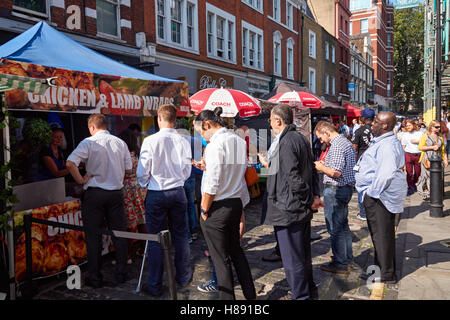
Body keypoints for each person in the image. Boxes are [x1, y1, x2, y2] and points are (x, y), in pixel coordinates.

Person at [260, 104, 323, 300]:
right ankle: (309, 290)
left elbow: (293, 177)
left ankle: (301, 296)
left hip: (289, 207)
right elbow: (309, 169)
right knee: (302, 255)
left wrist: (309, 197)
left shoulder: (286, 141)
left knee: (292, 259)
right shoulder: (300, 137)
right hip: (296, 206)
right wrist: (313, 195)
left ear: (278, 120)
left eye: (270, 120)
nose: (269, 124)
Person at [193, 107, 256, 300]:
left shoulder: (214, 145)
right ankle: (250, 295)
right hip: (234, 202)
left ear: (208, 125)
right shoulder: (237, 140)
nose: (203, 137)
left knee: (220, 261)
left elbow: (212, 183)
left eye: (202, 132)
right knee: (236, 253)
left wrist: (204, 209)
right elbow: (238, 173)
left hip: (217, 206)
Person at [66, 114, 132, 288]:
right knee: (119, 235)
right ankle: (121, 274)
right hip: (116, 193)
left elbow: (70, 163)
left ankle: (95, 278)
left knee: (93, 236)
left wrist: (80, 180)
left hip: (95, 194)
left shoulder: (88, 142)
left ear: (92, 127)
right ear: (105, 125)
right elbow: (128, 169)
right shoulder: (120, 143)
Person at [136, 104, 192, 296]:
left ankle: (154, 284)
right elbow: (187, 170)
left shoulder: (150, 141)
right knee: (180, 235)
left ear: (159, 118)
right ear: (174, 120)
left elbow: (143, 171)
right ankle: (183, 276)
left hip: (157, 191)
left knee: (155, 239)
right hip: (177, 191)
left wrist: (145, 183)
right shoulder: (183, 141)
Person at [355, 111, 407, 284]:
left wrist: (371, 193)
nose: (372, 123)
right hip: (380, 196)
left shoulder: (387, 145)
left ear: (385, 125)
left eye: (376, 121)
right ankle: (380, 271)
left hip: (380, 197)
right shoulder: (384, 142)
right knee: (380, 235)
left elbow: (385, 174)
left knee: (382, 235)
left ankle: (385, 274)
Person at [314, 121, 356, 275]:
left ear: (326, 132)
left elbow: (336, 173)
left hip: (336, 189)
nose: (321, 141)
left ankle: (340, 263)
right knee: (342, 226)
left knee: (335, 228)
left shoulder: (337, 145)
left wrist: (320, 167)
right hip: (343, 189)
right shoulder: (344, 141)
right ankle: (346, 259)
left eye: (320, 138)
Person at [118, 129, 147, 263]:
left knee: (129, 222)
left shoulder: (124, 157)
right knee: (141, 219)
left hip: (126, 189)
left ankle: (127, 255)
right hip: (138, 188)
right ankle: (144, 249)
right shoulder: (137, 154)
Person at [351, 108, 375, 221]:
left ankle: (363, 213)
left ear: (363, 118)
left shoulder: (359, 131)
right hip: (376, 162)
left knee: (361, 188)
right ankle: (374, 211)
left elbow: (354, 148)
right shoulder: (378, 130)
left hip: (363, 162)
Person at [416, 120, 448, 200]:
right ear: (431, 127)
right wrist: (432, 147)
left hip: (438, 158)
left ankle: (435, 194)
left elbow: (443, 150)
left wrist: (445, 159)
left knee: (438, 177)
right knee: (428, 176)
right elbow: (420, 147)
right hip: (427, 158)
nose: (438, 128)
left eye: (439, 127)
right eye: (436, 127)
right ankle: (432, 195)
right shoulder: (425, 135)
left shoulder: (440, 136)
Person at [401, 120, 423, 195]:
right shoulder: (405, 134)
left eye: (409, 125)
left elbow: (424, 143)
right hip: (408, 154)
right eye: (407, 126)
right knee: (409, 172)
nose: (408, 127)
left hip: (418, 154)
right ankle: (410, 187)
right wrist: (406, 153)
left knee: (417, 172)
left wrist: (418, 142)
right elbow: (403, 145)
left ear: (413, 125)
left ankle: (413, 183)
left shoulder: (420, 133)